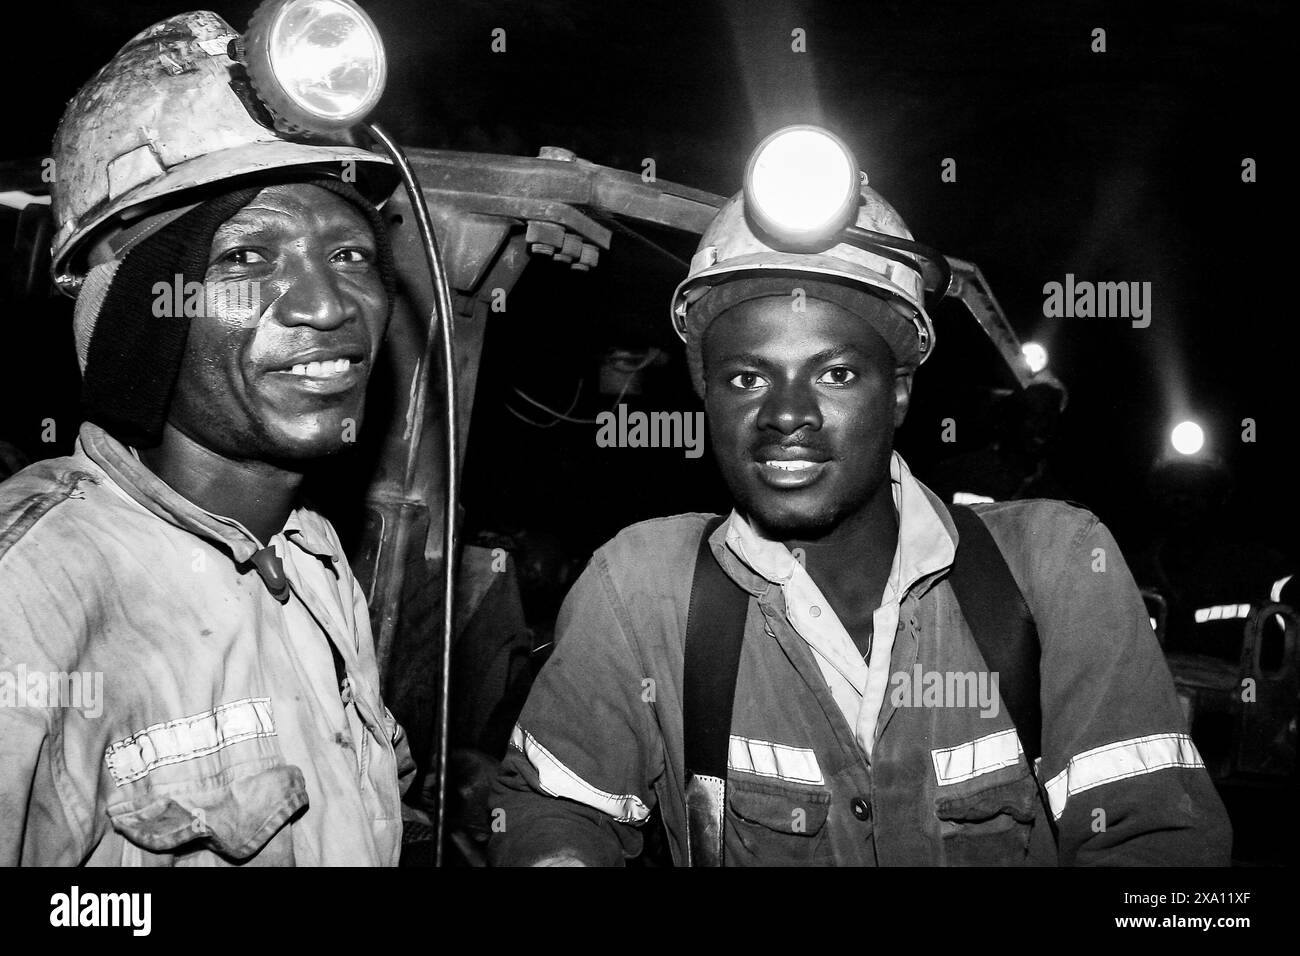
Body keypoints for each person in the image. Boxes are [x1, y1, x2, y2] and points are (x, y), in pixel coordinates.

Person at [489, 147, 1233, 866]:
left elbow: (1153, 845)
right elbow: (552, 812)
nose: (787, 413)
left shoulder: (1052, 571)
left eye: (837, 373)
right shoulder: (643, 591)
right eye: (746, 378)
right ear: (705, 396)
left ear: (901, 389)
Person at [0, 11, 413, 865]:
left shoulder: (312, 559)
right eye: (244, 260)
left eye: (350, 256)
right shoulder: (33, 590)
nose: (329, 307)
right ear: (133, 320)